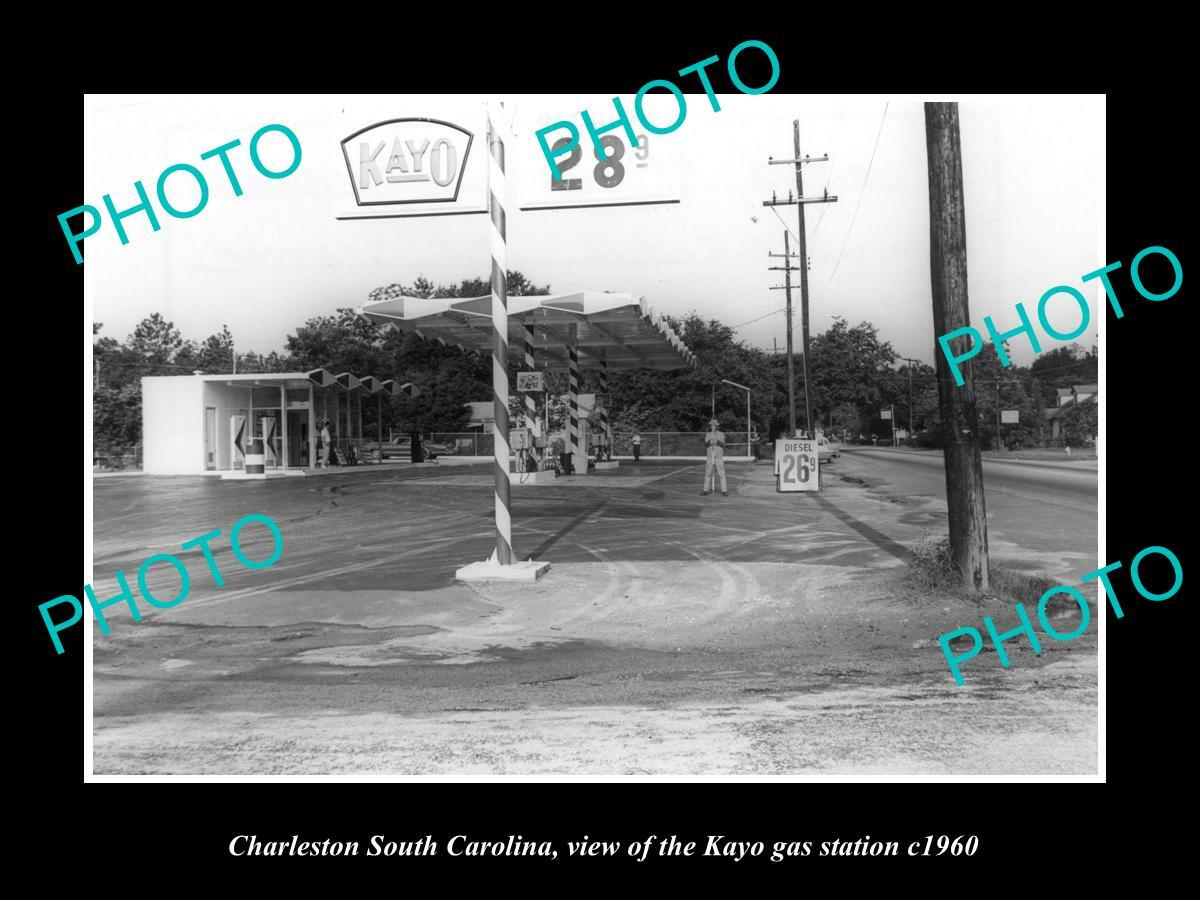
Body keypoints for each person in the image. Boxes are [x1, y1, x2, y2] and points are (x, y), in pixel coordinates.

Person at [701, 418, 728, 496]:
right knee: (708, 473)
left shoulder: (721, 434)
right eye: (711, 425)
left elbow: (723, 445)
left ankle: (724, 490)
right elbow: (705, 445)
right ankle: (705, 490)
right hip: (710, 456)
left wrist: (717, 440)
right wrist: (709, 440)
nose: (712, 427)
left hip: (718, 457)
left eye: (714, 425)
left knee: (721, 474)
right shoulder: (708, 434)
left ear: (717, 426)